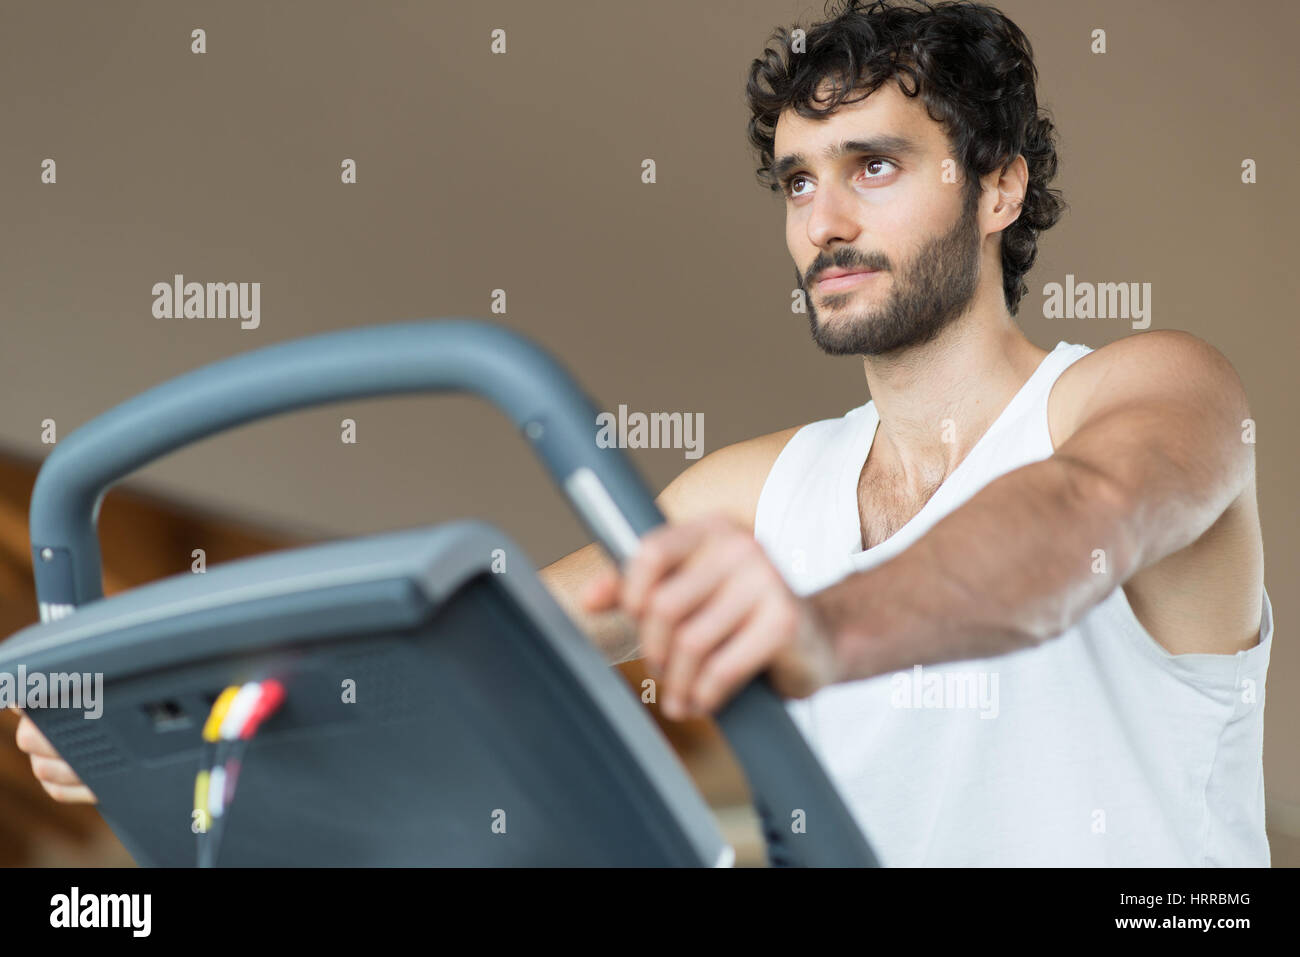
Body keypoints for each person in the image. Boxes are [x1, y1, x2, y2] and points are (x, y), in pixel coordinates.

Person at [14, 0, 1272, 866]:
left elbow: (1082, 522)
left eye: (873, 166)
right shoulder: (757, 490)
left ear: (996, 186)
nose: (821, 218)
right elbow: (479, 634)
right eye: (795, 178)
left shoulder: (1148, 387)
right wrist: (168, 714)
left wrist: (821, 625)